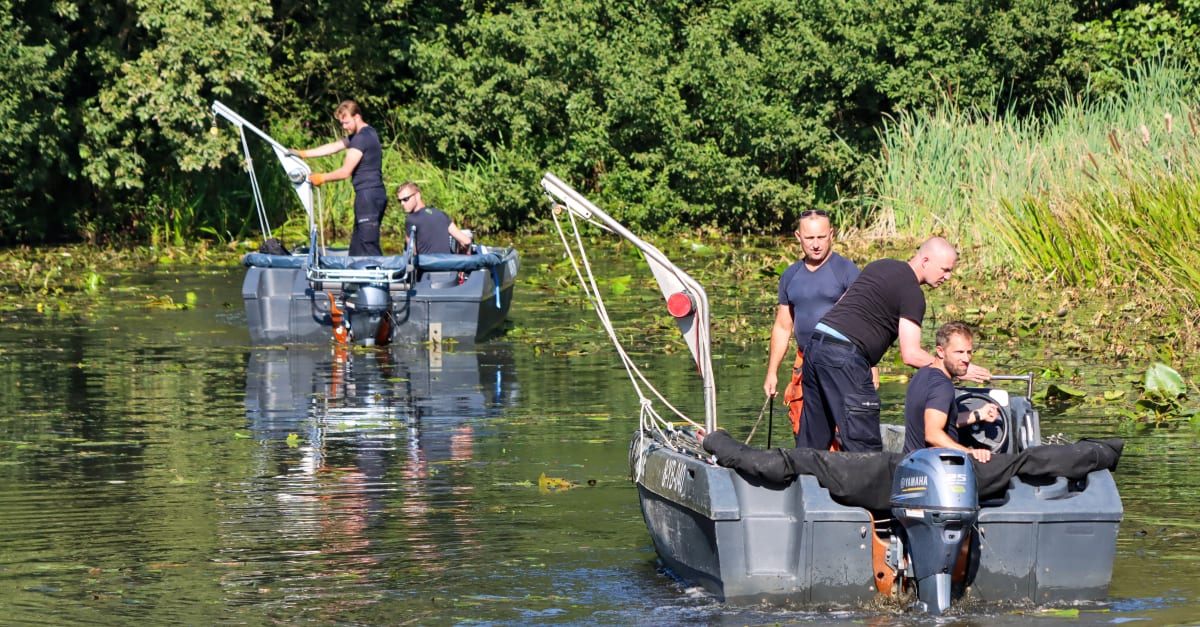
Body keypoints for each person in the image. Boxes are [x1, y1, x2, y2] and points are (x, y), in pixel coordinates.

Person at [797, 237, 991, 452]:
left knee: (813, 439)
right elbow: (911, 354)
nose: (947, 277)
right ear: (925, 260)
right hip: (844, 356)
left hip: (816, 345)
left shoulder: (882, 265)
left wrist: (868, 360)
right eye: (944, 270)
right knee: (864, 444)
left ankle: (803, 480)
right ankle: (869, 485)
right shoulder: (913, 294)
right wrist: (956, 368)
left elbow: (844, 304)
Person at [763, 209, 861, 439]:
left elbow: (862, 321)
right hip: (804, 361)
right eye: (809, 238)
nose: (816, 244)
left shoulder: (847, 271)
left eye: (821, 237)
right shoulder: (790, 275)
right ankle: (806, 470)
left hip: (841, 362)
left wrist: (872, 366)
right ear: (798, 237)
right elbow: (782, 327)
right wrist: (772, 372)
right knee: (801, 425)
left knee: (842, 430)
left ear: (831, 234)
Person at [288, 100, 387, 256]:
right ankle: (354, 278)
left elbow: (345, 171)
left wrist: (322, 178)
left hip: (369, 196)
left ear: (357, 117)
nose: (344, 127)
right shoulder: (365, 133)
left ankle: (383, 278)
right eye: (341, 123)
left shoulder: (362, 138)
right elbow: (334, 147)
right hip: (369, 196)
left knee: (368, 245)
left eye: (346, 122)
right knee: (356, 247)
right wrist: (303, 154)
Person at [903, 321, 1000, 462]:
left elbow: (941, 420)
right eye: (959, 352)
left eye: (969, 352)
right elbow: (932, 434)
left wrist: (979, 414)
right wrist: (970, 453)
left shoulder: (922, 374)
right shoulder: (942, 386)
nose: (966, 359)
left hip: (911, 462)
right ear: (940, 351)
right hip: (937, 467)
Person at [397, 182, 473, 255]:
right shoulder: (441, 214)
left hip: (426, 267)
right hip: (447, 267)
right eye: (399, 201)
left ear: (417, 196)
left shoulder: (411, 220)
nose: (402, 204)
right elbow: (466, 241)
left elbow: (412, 253)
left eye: (406, 199)